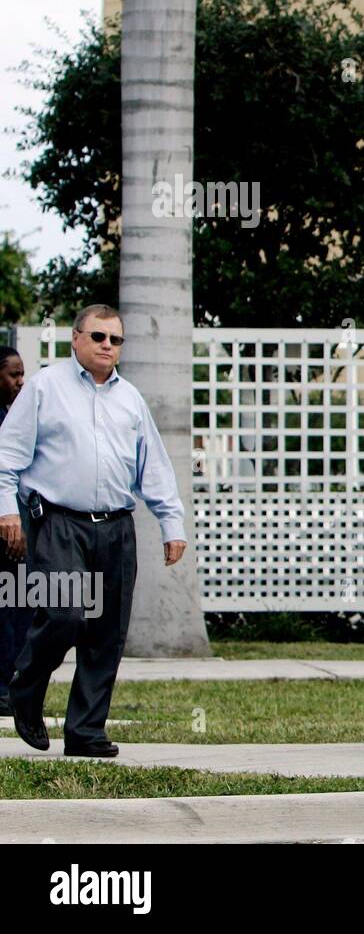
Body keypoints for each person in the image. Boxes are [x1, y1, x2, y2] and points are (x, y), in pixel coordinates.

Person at [0, 305, 186, 756]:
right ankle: (25, 688)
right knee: (64, 616)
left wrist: (170, 522)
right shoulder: (44, 387)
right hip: (59, 522)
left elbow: (154, 466)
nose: (107, 346)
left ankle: (85, 731)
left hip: (117, 527)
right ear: (76, 339)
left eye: (115, 340)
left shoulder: (131, 400)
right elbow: (8, 455)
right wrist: (7, 512)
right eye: (99, 337)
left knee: (106, 632)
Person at [0, 346, 30, 719]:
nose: (21, 382)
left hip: (19, 530)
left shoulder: (16, 418)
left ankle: (13, 687)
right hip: (7, 530)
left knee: (19, 608)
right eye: (13, 375)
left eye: (22, 375)